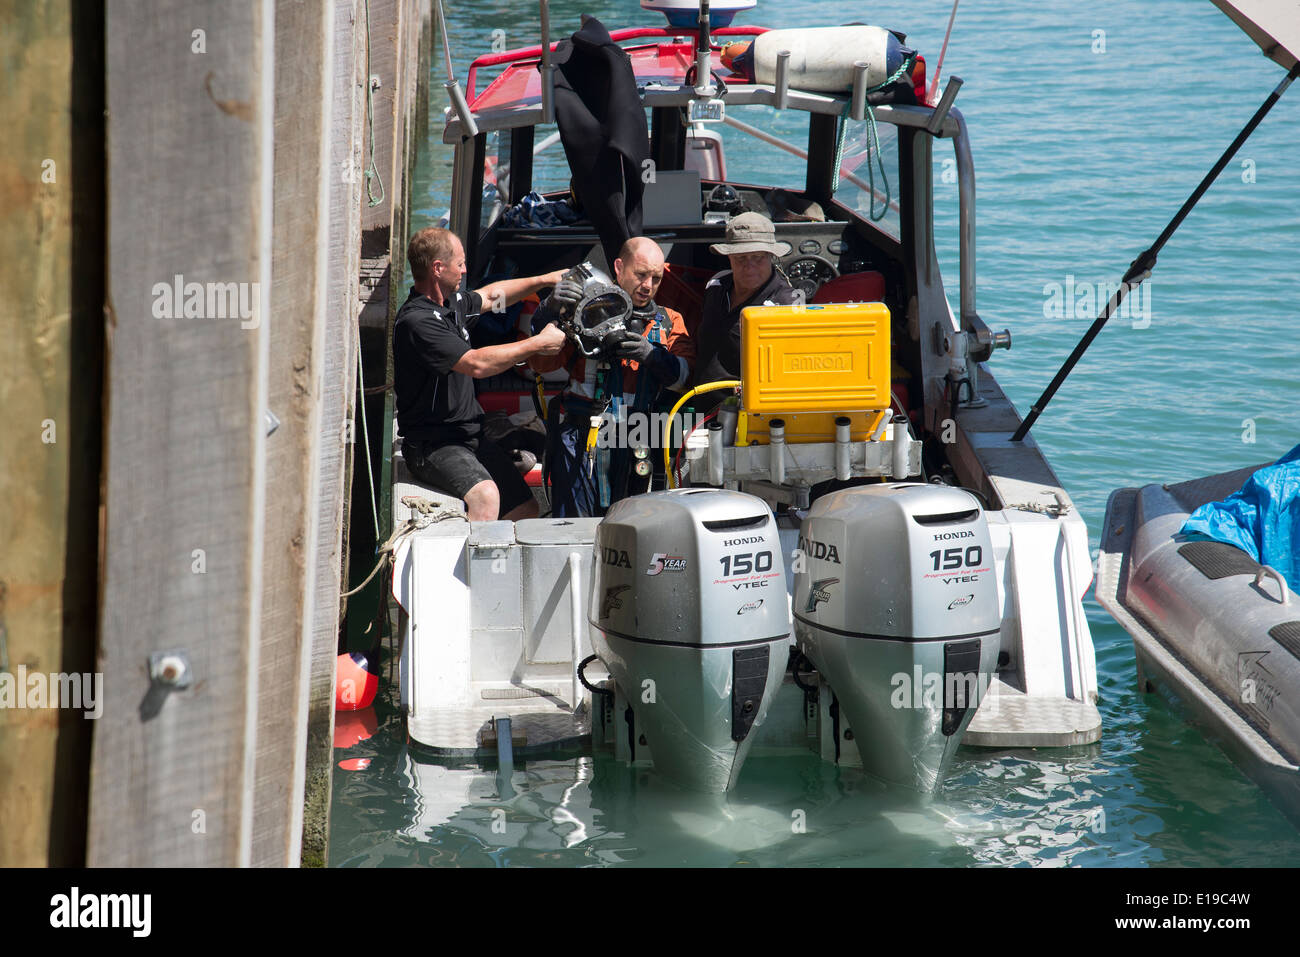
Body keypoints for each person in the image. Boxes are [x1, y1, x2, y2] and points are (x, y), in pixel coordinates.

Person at [394, 227, 568, 521]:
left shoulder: (453, 304)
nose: (465, 269)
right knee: (486, 496)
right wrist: (538, 344)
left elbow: (491, 298)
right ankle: (473, 564)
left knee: (524, 509)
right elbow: (476, 364)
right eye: (460, 263)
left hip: (470, 437)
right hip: (434, 445)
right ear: (438, 268)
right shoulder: (418, 322)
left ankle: (502, 566)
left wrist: (544, 281)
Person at [528, 236, 695, 517]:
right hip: (581, 439)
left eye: (655, 278)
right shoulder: (580, 313)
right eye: (640, 275)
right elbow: (540, 364)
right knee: (575, 528)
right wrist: (549, 310)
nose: (647, 286)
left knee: (638, 528)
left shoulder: (669, 321)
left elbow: (686, 379)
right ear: (619, 267)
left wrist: (652, 355)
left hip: (641, 437)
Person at [692, 211, 800, 410]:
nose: (749, 267)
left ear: (771, 256)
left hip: (745, 417)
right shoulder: (715, 286)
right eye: (741, 258)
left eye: (757, 257)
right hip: (698, 406)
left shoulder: (787, 304)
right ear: (729, 257)